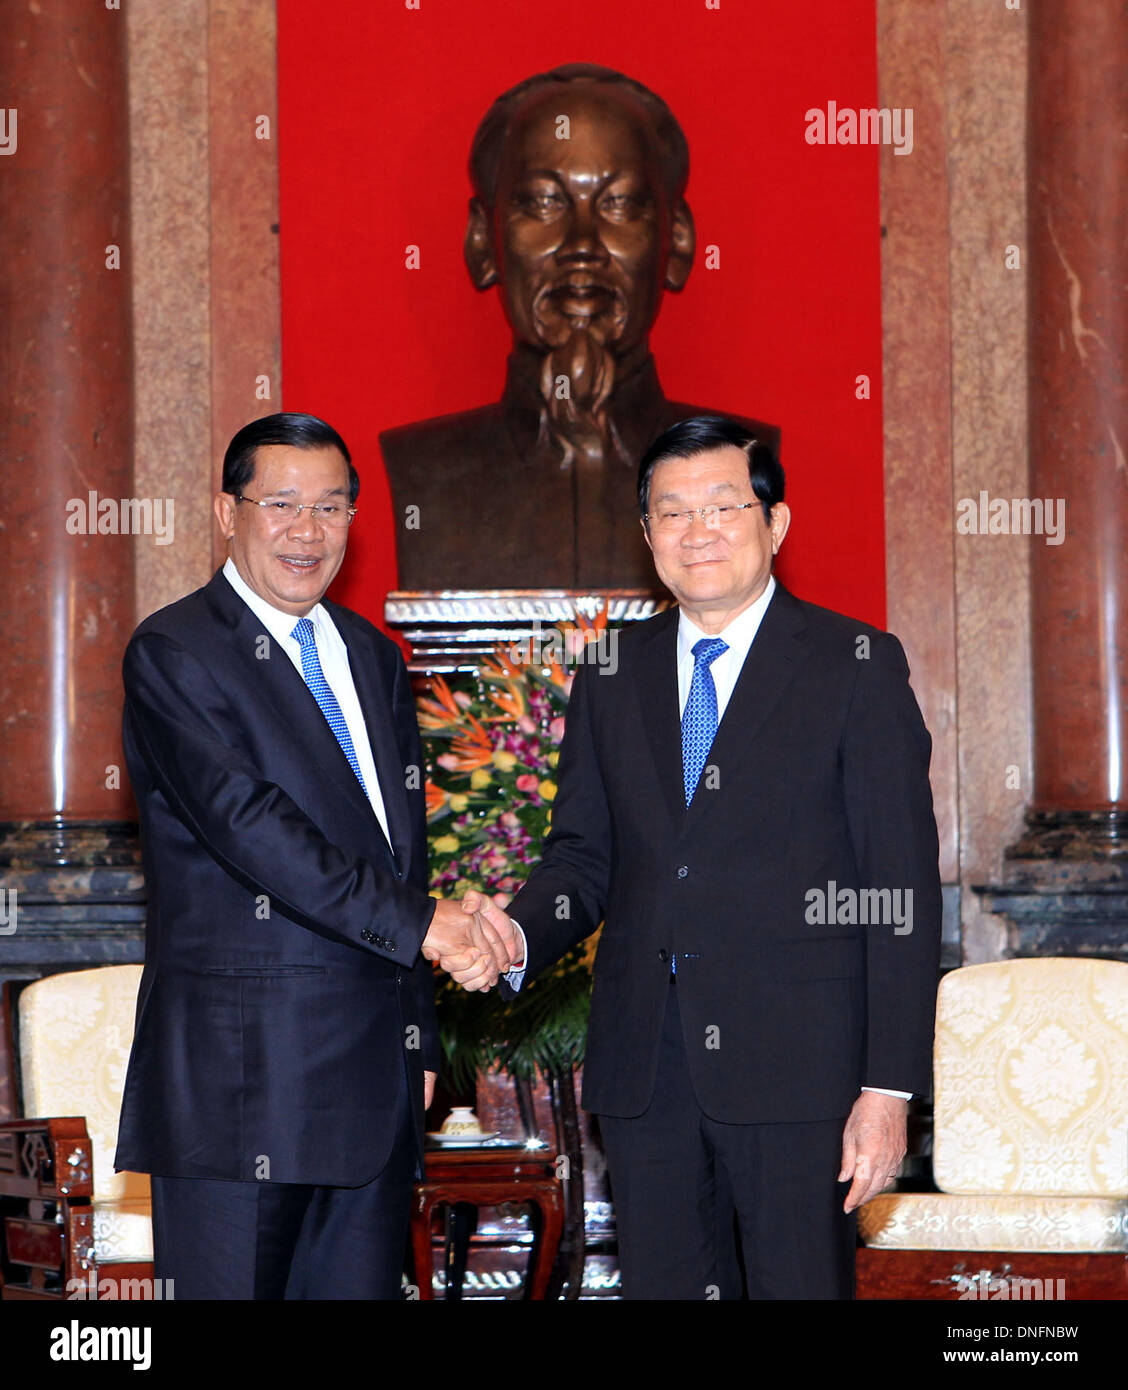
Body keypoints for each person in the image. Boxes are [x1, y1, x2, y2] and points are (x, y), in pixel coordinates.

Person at [466, 415, 942, 1299]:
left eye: (723, 506)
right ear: (647, 538)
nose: (699, 531)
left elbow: (898, 894)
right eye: (672, 513)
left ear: (777, 523)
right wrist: (513, 936)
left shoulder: (852, 664)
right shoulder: (611, 671)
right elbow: (583, 859)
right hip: (647, 1070)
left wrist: (888, 1090)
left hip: (805, 1078)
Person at [113, 412, 511, 1300]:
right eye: (281, 503)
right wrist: (431, 927)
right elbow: (252, 828)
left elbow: (398, 854)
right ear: (227, 512)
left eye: (331, 508)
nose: (307, 530)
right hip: (241, 1086)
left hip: (374, 1088)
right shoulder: (177, 652)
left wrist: (421, 1033)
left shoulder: (372, 657)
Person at [381, 63, 779, 591]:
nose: (583, 245)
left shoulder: (745, 461)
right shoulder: (424, 469)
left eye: (619, 203)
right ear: (483, 241)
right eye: (544, 202)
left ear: (677, 241)